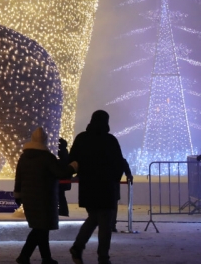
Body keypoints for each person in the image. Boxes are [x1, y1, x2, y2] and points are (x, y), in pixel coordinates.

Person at [14, 127, 78, 264]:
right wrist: (73, 166)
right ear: (45, 140)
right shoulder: (47, 157)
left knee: (41, 228)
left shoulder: (24, 157)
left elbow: (18, 177)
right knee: (40, 228)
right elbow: (60, 173)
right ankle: (24, 256)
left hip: (29, 197)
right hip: (44, 198)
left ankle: (45, 257)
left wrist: (18, 195)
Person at [69, 110, 126, 264]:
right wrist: (114, 179)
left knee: (94, 217)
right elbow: (118, 163)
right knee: (105, 223)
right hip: (106, 187)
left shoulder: (82, 138)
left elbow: (72, 160)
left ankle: (78, 247)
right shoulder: (110, 140)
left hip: (88, 185)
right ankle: (102, 257)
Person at [110, 158, 133, 232]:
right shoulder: (118, 158)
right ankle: (111, 225)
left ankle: (111, 225)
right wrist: (128, 174)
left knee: (112, 205)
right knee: (112, 205)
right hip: (112, 183)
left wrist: (128, 174)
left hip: (112, 183)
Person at [58, 138, 72, 217]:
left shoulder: (60, 154)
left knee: (60, 195)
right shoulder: (65, 153)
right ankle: (63, 211)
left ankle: (63, 211)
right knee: (61, 195)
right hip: (64, 178)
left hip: (60, 178)